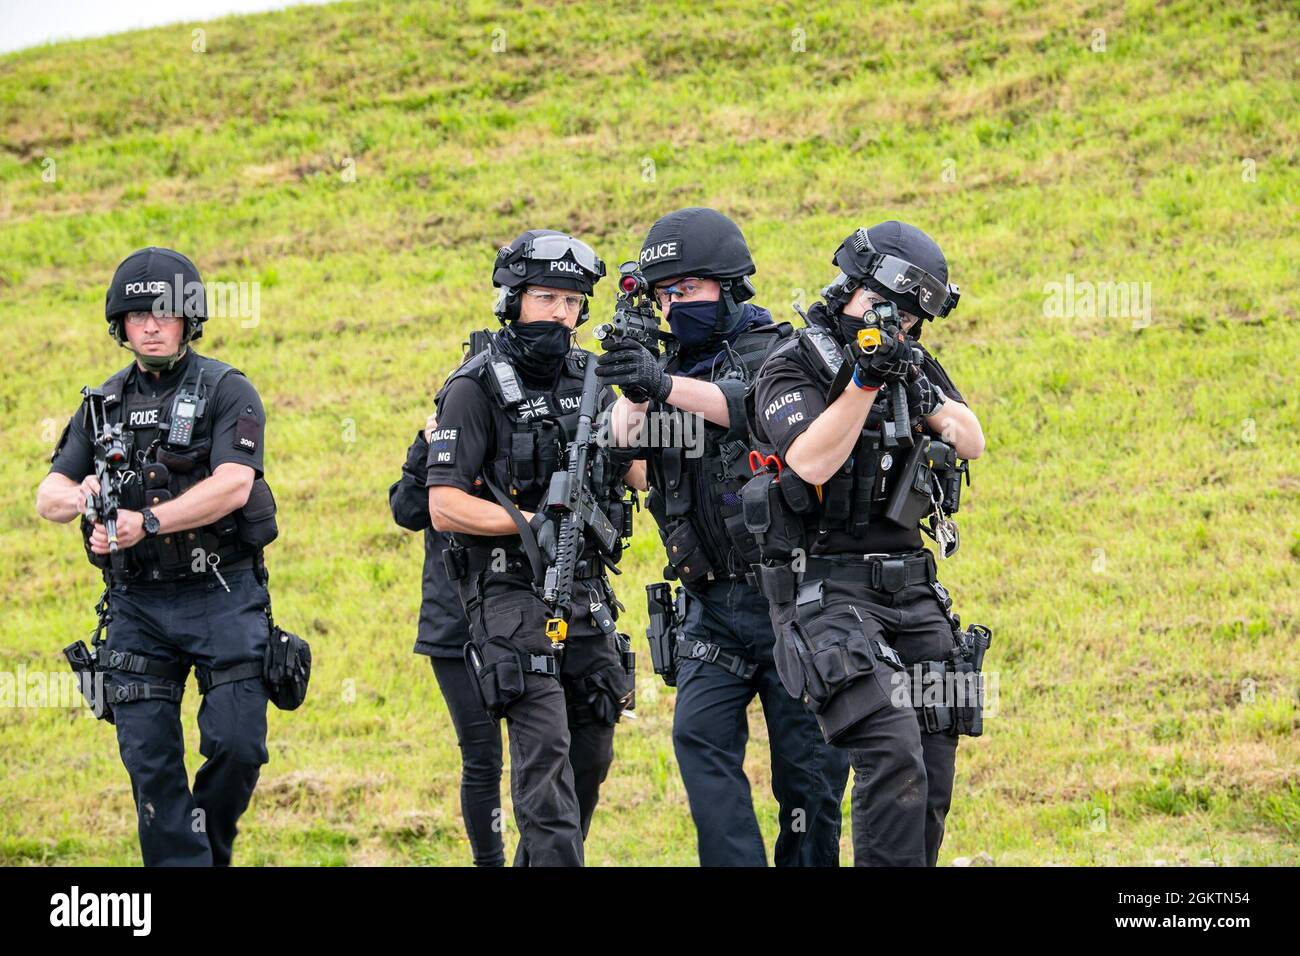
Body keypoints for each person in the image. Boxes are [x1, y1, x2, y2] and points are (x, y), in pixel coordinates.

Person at [596, 207, 850, 866]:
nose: (674, 306)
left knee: (810, 787)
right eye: (664, 295)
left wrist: (662, 384)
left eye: (687, 290)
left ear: (728, 285)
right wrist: (632, 386)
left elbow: (745, 406)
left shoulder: (782, 351)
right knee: (699, 741)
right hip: (713, 609)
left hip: (797, 602)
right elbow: (630, 454)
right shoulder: (664, 367)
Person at [748, 221, 987, 866]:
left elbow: (970, 438)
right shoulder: (791, 364)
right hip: (825, 595)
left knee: (933, 768)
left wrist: (914, 381)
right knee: (892, 749)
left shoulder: (910, 360)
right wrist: (863, 380)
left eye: (912, 318)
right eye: (891, 308)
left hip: (911, 588)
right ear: (855, 288)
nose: (900, 325)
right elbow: (809, 463)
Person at [36, 247, 284, 866]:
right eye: (137, 314)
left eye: (165, 313)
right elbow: (49, 495)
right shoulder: (103, 405)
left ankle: (207, 850)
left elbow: (234, 483)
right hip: (137, 608)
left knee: (238, 746)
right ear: (120, 325)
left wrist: (145, 521)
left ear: (189, 320)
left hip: (221, 594)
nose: (150, 324)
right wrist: (85, 496)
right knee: (150, 766)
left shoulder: (229, 389)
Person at [425, 230, 640, 866]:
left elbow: (640, 473)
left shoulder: (593, 376)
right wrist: (527, 521)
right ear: (513, 299)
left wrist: (644, 395)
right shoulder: (474, 387)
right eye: (545, 297)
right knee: (543, 764)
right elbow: (443, 505)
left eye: (572, 302)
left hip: (586, 588)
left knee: (591, 753)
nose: (560, 314)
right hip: (509, 593)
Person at [390, 402, 506, 867]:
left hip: (526, 612)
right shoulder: (440, 443)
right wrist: (428, 445)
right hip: (453, 623)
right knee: (482, 757)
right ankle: (490, 863)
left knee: (551, 754)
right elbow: (407, 509)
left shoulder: (520, 429)